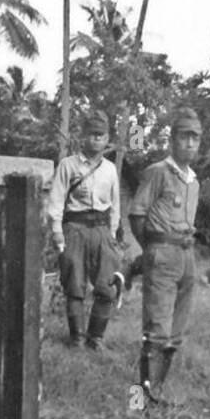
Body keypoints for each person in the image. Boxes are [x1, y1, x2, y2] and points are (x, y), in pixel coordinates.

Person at [128, 107, 203, 404]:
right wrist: (152, 249)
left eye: (195, 138)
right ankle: (140, 399)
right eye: (184, 137)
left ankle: (158, 391)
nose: (190, 144)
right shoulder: (158, 172)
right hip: (162, 250)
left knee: (175, 330)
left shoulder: (193, 181)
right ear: (173, 140)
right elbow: (137, 214)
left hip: (186, 254)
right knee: (156, 329)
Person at [47, 108, 124, 351]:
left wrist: (111, 235)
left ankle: (96, 338)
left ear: (107, 138)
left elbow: (115, 206)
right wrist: (57, 231)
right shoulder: (68, 165)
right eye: (91, 134)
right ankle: (77, 338)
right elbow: (57, 200)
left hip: (101, 230)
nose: (96, 139)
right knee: (74, 284)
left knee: (106, 286)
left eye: (100, 135)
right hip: (75, 228)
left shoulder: (110, 169)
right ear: (83, 136)